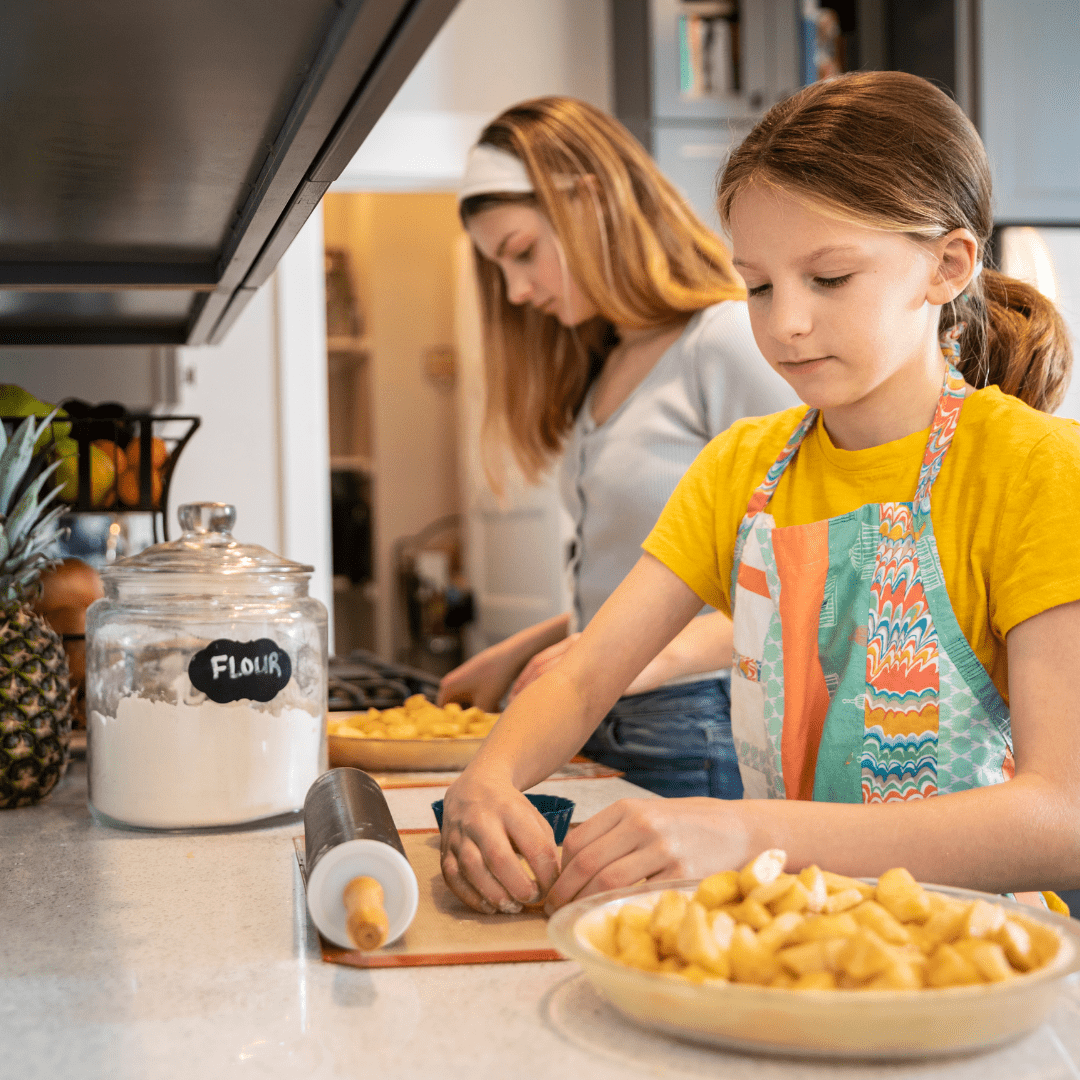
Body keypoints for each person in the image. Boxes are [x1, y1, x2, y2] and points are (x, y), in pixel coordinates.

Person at [439, 71, 1079, 918]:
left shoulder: (1036, 470)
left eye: (830, 278)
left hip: (979, 968)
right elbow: (586, 676)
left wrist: (745, 834)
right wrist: (488, 776)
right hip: (793, 938)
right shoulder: (744, 468)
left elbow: (1062, 815)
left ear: (947, 266)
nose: (786, 326)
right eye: (760, 286)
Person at [437, 97, 797, 804]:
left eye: (522, 253)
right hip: (607, 711)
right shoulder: (606, 366)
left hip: (694, 722)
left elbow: (809, 579)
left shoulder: (722, 341)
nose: (515, 291)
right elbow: (653, 578)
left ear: (590, 202)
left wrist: (622, 661)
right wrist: (525, 653)